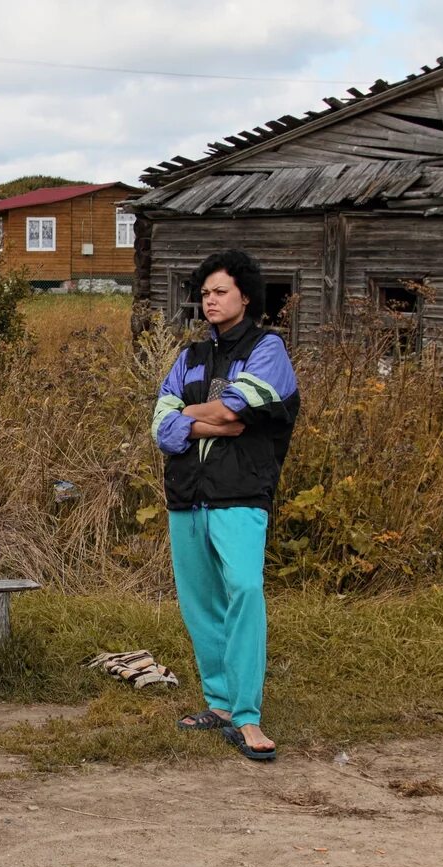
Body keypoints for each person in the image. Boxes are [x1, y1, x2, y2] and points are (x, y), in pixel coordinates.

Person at [150, 249, 300, 762]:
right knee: (201, 603)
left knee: (244, 589)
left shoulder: (267, 349)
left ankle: (248, 715)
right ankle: (218, 703)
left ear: (245, 296)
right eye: (206, 292)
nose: (210, 300)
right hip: (188, 495)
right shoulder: (189, 356)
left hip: (241, 491)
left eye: (220, 292)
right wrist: (206, 419)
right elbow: (161, 425)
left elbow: (241, 406)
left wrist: (189, 416)